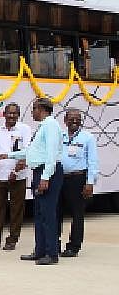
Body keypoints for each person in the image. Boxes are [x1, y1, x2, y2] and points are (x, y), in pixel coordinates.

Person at [14, 97, 63, 265]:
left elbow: (50, 154)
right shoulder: (43, 127)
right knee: (39, 214)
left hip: (47, 172)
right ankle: (40, 250)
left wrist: (45, 177)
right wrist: (10, 155)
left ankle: (52, 253)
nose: (32, 112)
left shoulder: (50, 126)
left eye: (34, 108)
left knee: (48, 215)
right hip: (39, 171)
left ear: (42, 109)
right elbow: (33, 151)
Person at [0, 103, 31, 251]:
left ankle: (12, 240)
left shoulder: (24, 129)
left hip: (17, 177)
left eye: (15, 113)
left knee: (16, 210)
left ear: (18, 115)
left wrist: (16, 172)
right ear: (3, 114)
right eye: (9, 113)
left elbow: (27, 153)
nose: (12, 116)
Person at [58, 108, 97, 258]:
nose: (74, 121)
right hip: (59, 178)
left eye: (78, 119)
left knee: (77, 214)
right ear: (65, 121)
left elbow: (93, 162)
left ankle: (73, 247)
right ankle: (54, 243)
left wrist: (90, 183)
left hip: (78, 179)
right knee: (56, 212)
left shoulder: (88, 138)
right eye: (71, 118)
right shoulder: (59, 136)